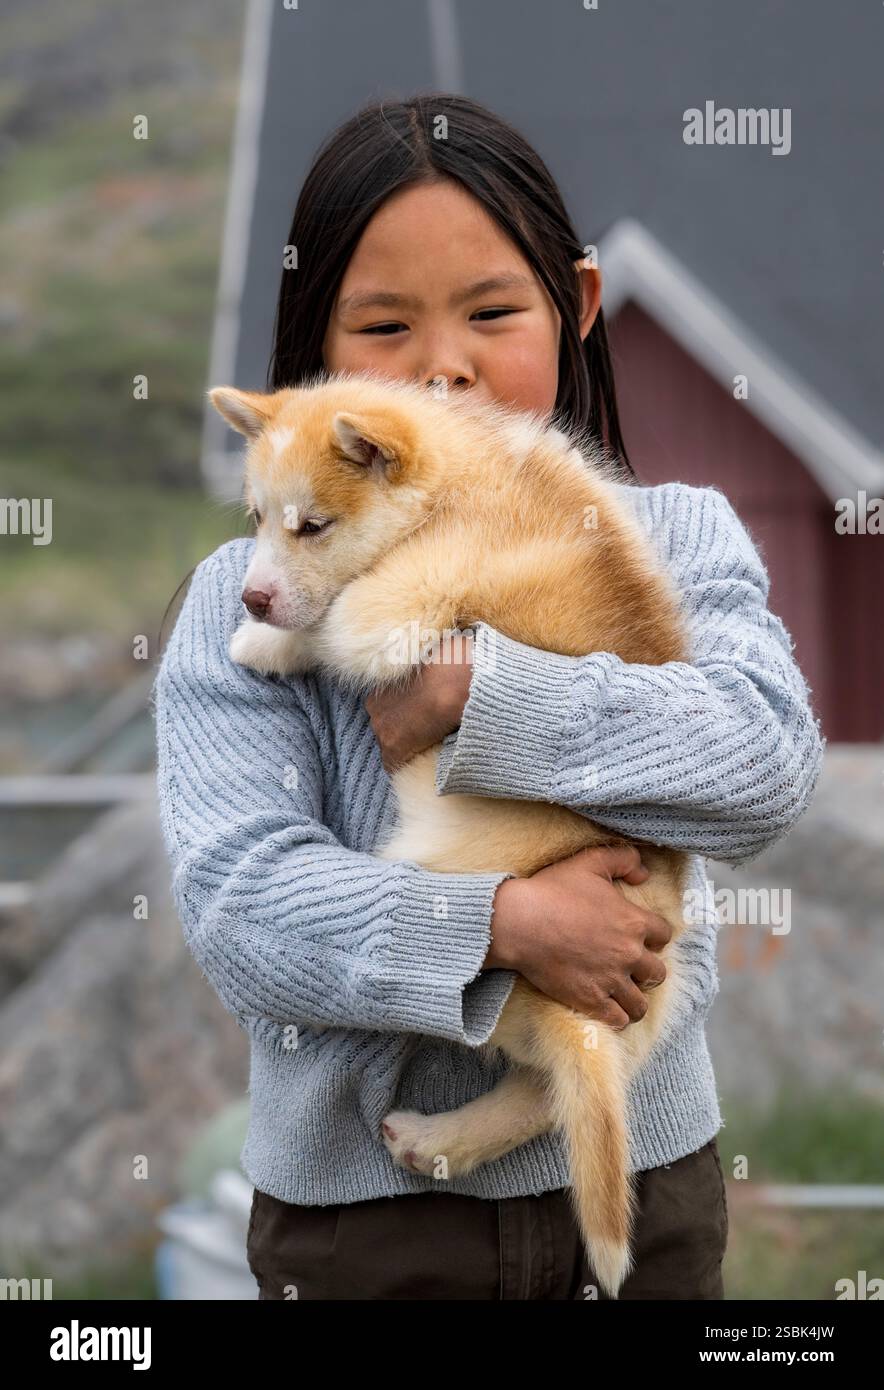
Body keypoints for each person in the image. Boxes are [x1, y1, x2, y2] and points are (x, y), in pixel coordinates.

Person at [152, 93, 824, 1300]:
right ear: (317, 343)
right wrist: (506, 928)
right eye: (382, 323)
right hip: (361, 1226)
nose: (441, 363)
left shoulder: (672, 534)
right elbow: (240, 903)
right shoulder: (239, 602)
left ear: (575, 308)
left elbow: (762, 761)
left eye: (491, 311)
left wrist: (480, 695)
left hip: (640, 1178)